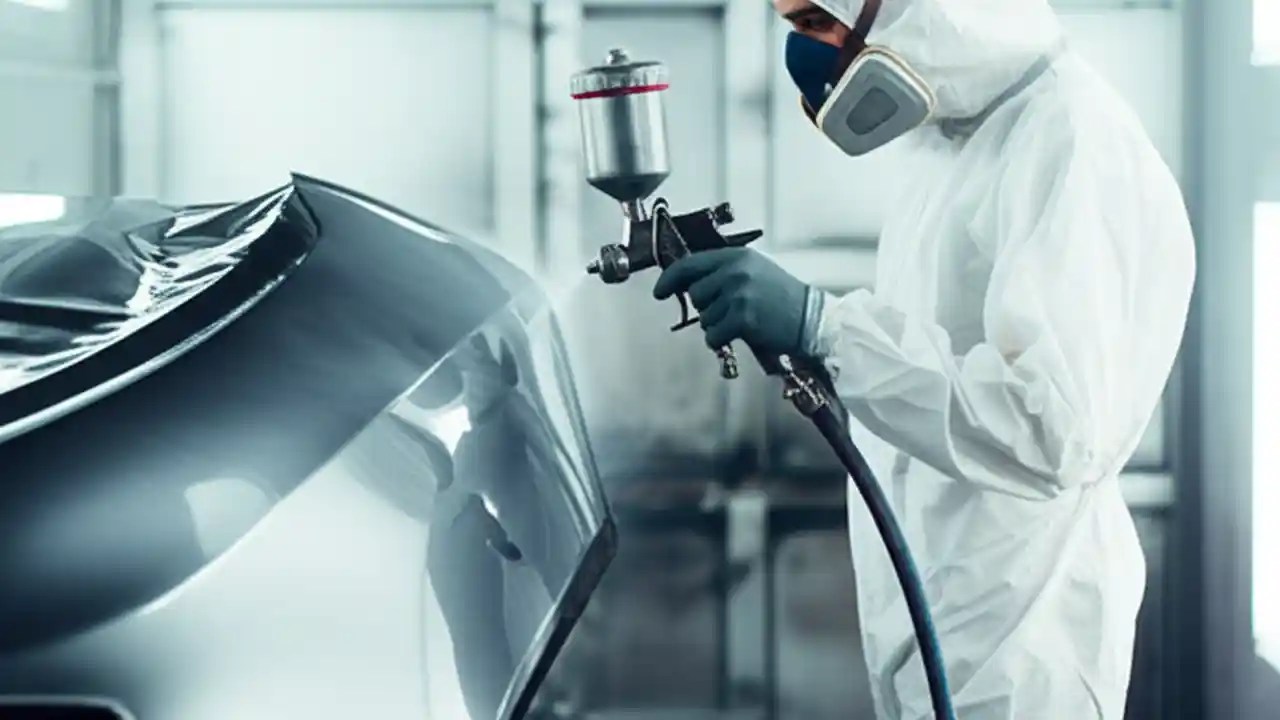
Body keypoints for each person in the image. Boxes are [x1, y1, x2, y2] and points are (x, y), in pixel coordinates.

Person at [652, 0, 1196, 718]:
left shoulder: (1072, 142)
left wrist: (824, 326)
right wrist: (814, 336)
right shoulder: (952, 141)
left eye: (814, 23)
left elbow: (1052, 428)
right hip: (939, 621)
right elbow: (930, 368)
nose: (805, 55)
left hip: (1022, 648)